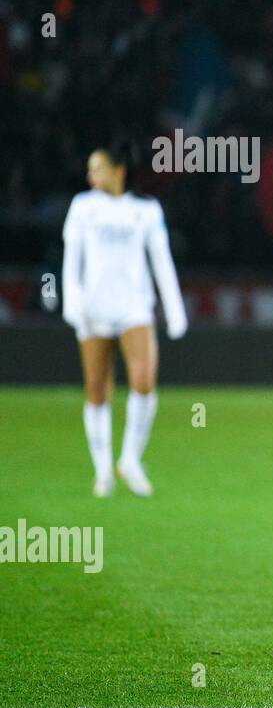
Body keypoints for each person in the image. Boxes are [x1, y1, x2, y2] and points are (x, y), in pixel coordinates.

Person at [61, 143, 188, 497]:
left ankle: (130, 459)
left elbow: (161, 260)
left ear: (119, 171)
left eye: (98, 168)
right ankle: (103, 470)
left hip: (135, 306)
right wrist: (73, 304)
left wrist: (175, 310)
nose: (91, 176)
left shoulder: (145, 210)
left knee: (144, 381)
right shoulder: (83, 207)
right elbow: (72, 258)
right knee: (98, 390)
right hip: (95, 308)